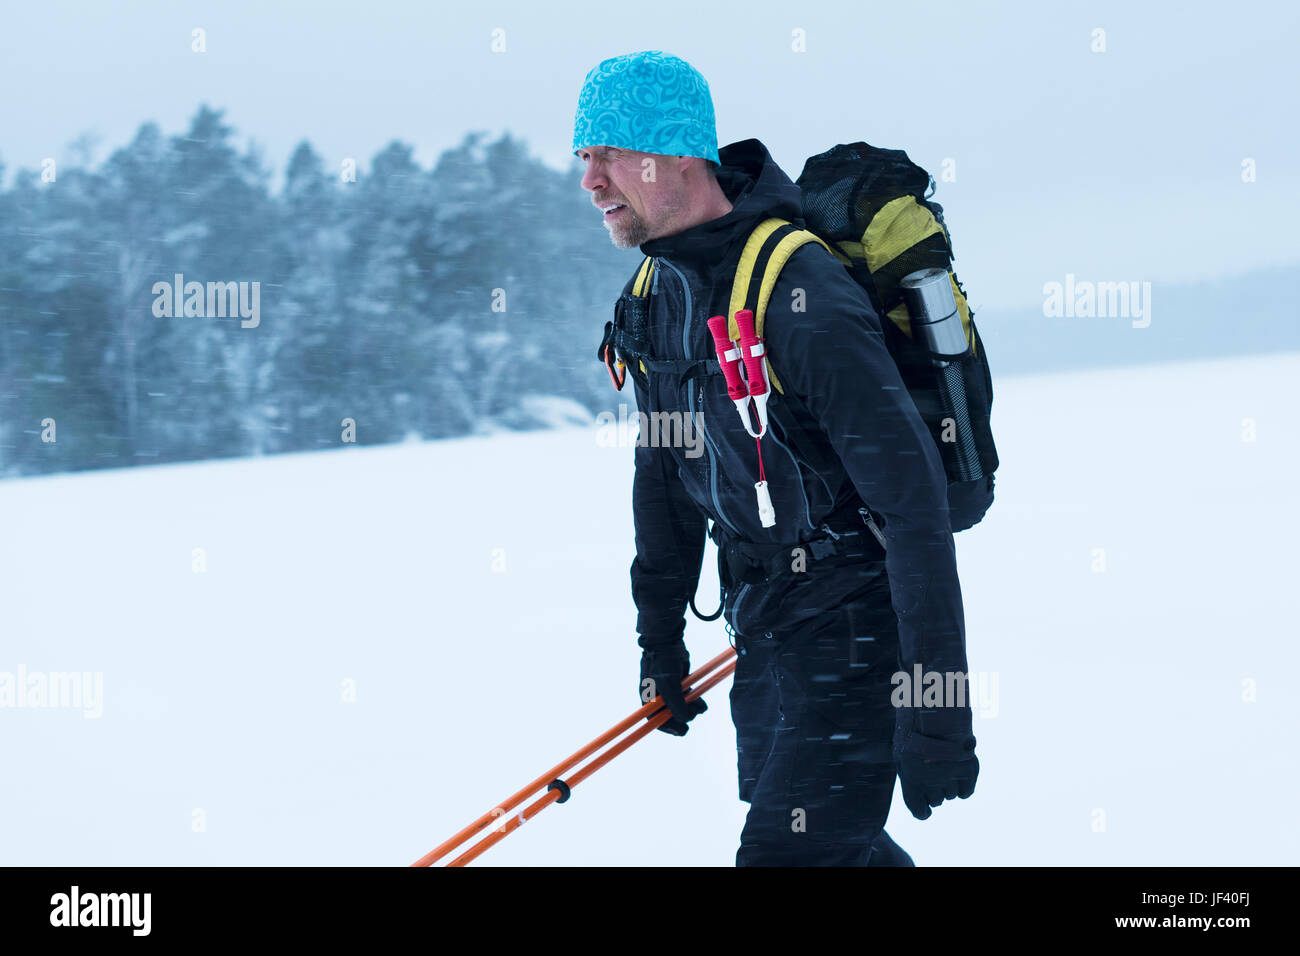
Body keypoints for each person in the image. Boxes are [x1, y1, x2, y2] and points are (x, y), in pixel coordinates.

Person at [573, 50, 978, 866]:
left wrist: (939, 708)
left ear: (675, 151)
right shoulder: (656, 298)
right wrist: (660, 643)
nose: (591, 181)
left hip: (859, 630)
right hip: (764, 623)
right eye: (585, 159)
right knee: (836, 849)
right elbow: (664, 482)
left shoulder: (799, 290)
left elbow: (913, 506)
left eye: (609, 154)